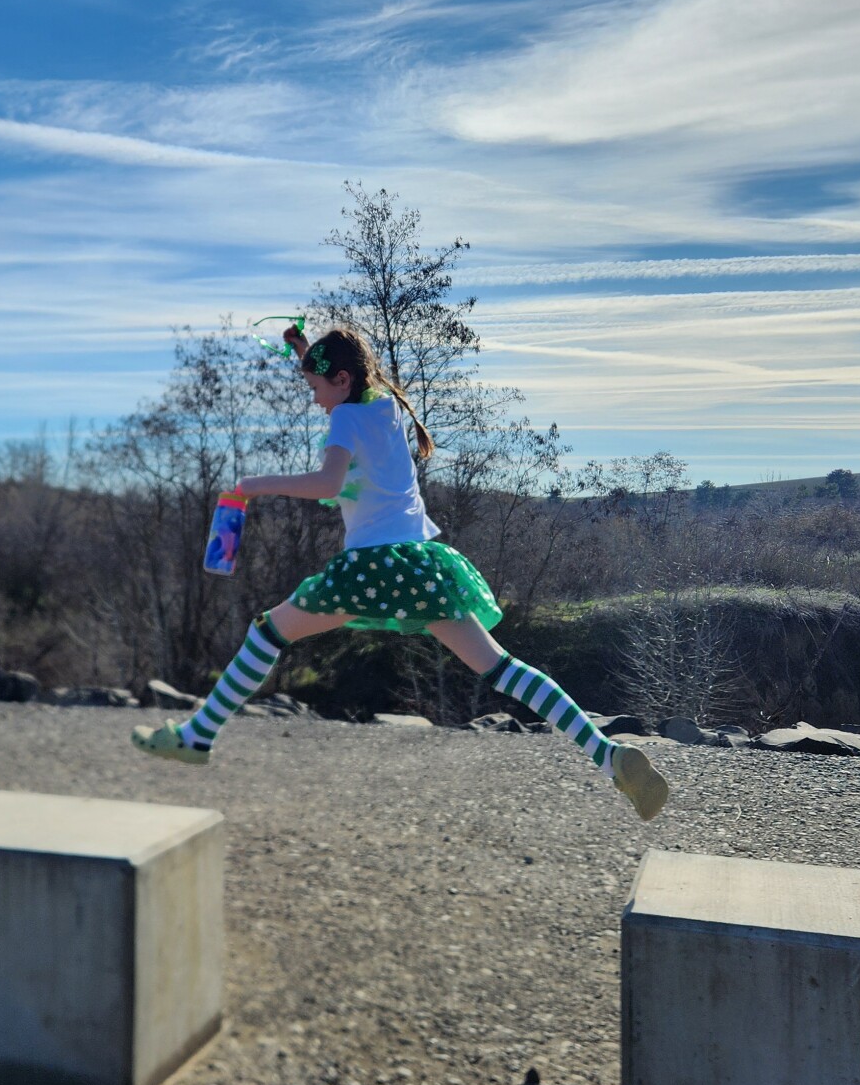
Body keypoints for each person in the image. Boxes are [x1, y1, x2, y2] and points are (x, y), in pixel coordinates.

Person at [132, 325, 669, 821]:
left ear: (342, 380)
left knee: (267, 633)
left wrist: (253, 486)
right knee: (502, 667)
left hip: (371, 567)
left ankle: (198, 736)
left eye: (316, 388)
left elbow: (327, 483)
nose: (315, 400)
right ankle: (607, 754)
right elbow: (346, 380)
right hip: (423, 565)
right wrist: (304, 349)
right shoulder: (383, 406)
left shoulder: (345, 418)